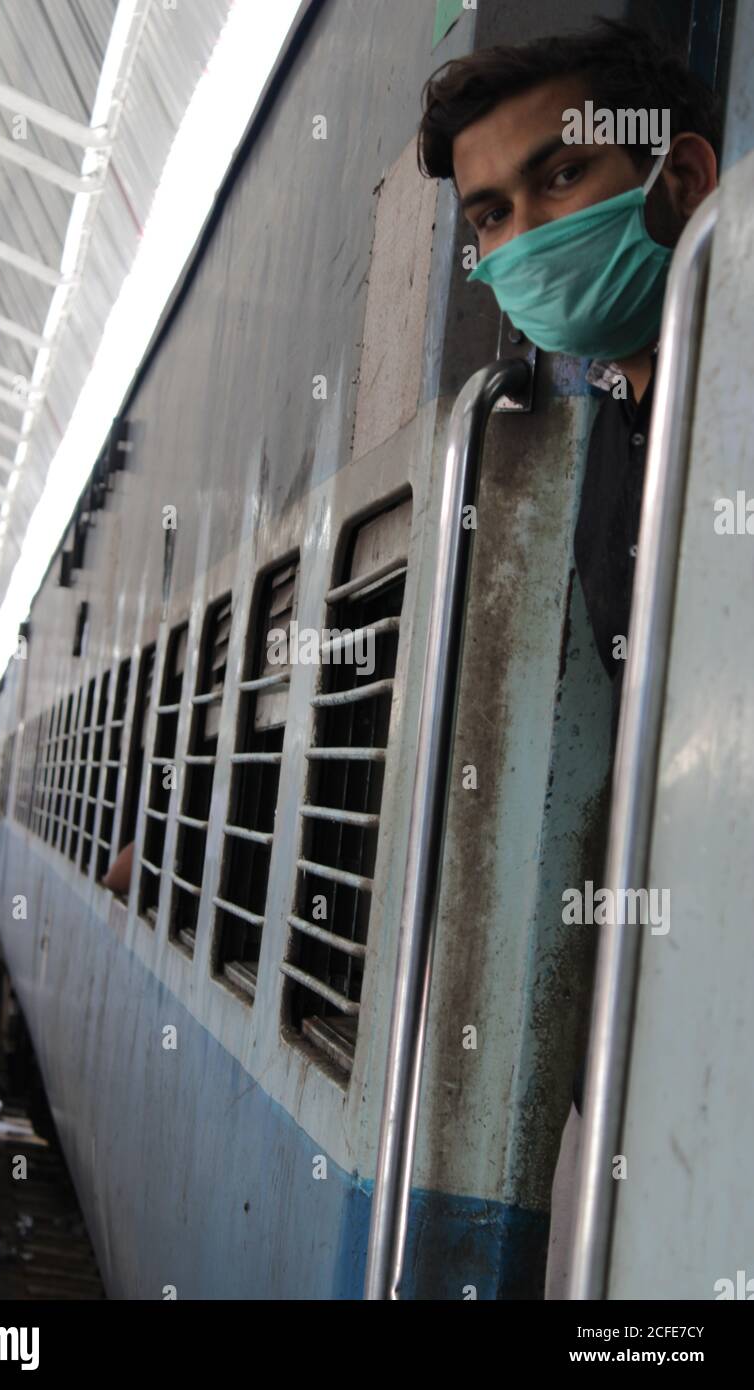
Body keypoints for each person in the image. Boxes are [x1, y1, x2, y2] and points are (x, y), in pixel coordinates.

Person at [416, 18, 721, 1296]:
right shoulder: (619, 424)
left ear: (683, 178)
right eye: (490, 214)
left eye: (558, 176)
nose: (522, 235)